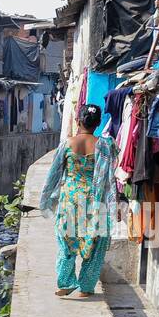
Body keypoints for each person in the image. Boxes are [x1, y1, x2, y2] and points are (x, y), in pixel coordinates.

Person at [39, 104, 116, 299]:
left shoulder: (67, 144)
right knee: (95, 245)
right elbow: (112, 174)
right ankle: (86, 288)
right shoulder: (106, 145)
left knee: (66, 242)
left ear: (77, 121)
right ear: (98, 123)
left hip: (71, 201)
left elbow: (54, 175)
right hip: (96, 202)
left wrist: (47, 200)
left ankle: (65, 282)